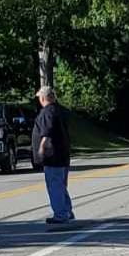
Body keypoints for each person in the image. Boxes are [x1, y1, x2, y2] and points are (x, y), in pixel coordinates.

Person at [32, 86, 73, 225]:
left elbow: (47, 131)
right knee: (60, 185)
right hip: (63, 154)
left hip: (53, 156)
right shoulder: (60, 110)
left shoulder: (47, 112)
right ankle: (67, 211)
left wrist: (41, 149)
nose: (39, 100)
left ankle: (61, 215)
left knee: (55, 185)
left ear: (44, 98)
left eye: (39, 98)